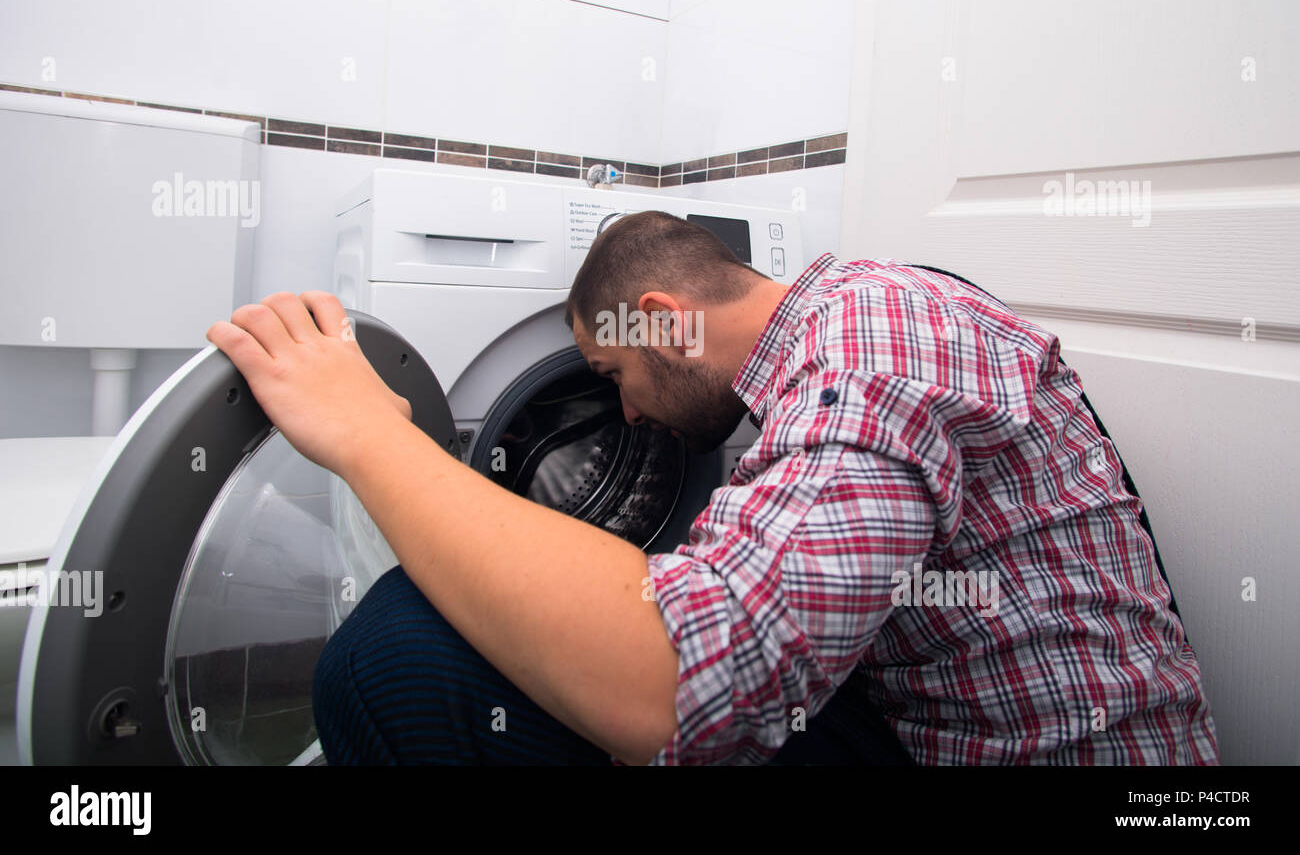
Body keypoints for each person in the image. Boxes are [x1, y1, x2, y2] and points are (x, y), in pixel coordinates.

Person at [206, 210, 1218, 765]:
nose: (629, 415)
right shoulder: (845, 325)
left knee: (392, 651)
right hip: (923, 722)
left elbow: (699, 679)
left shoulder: (869, 335)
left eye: (615, 376)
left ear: (662, 319)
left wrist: (369, 438)